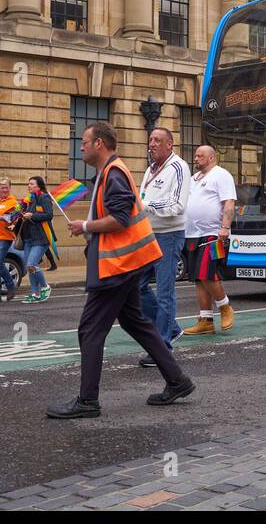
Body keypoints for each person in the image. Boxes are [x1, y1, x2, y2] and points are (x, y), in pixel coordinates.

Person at [47, 121, 194, 417]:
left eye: (85, 142)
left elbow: (121, 218)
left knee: (90, 329)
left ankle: (88, 401)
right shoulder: (109, 172)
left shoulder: (113, 172)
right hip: (126, 262)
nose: (81, 146)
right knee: (135, 322)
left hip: (118, 264)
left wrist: (84, 225)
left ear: (99, 143)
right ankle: (177, 380)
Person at [137, 126, 190, 365]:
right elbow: (143, 198)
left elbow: (177, 203)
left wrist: (145, 207)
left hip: (169, 235)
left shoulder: (179, 167)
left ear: (170, 144)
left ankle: (162, 347)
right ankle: (172, 327)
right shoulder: (151, 169)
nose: (153, 143)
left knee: (165, 291)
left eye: (158, 140)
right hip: (149, 234)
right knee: (137, 286)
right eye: (151, 140)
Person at [182, 145, 238, 335]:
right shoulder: (193, 179)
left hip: (213, 234)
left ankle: (225, 307)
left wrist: (225, 227)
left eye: (200, 155)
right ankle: (205, 320)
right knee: (198, 278)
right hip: (191, 234)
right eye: (195, 155)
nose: (195, 158)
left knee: (208, 273)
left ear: (212, 157)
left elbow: (229, 202)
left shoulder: (221, 175)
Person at [18, 176, 56, 303]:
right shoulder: (30, 199)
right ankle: (35, 293)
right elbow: (27, 214)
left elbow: (49, 215)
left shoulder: (44, 197)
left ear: (38, 186)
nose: (29, 186)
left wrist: (32, 215)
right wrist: (23, 215)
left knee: (32, 264)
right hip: (28, 237)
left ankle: (45, 287)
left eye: (31, 184)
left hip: (41, 237)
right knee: (29, 267)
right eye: (28, 184)